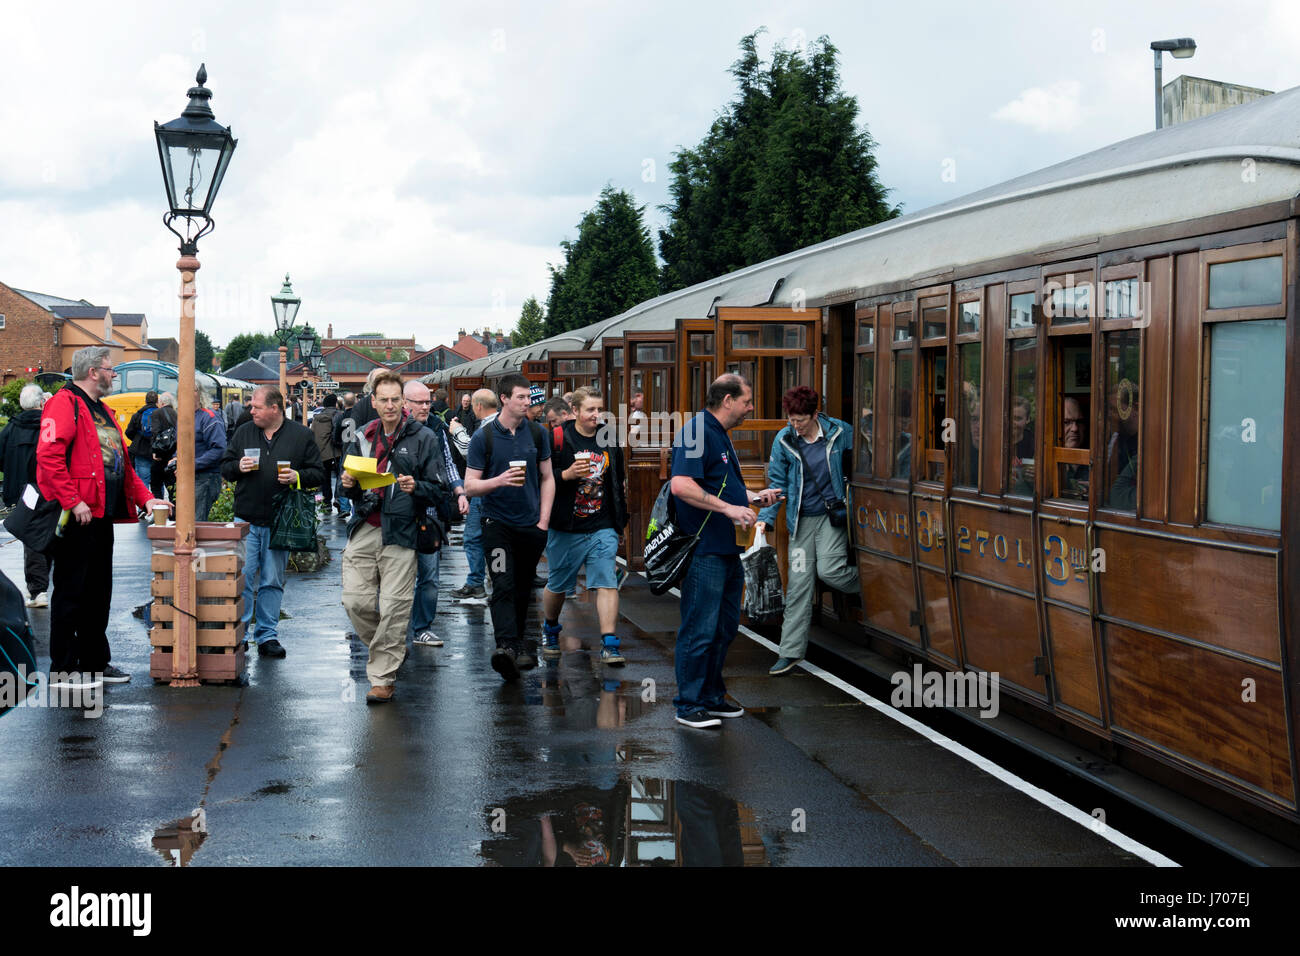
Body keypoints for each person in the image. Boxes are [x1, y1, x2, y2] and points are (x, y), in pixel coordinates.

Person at [37, 346, 171, 688]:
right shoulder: (64, 403)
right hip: (77, 516)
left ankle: (96, 662)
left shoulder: (102, 410)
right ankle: (64, 669)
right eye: (110, 370)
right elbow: (49, 456)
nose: (114, 375)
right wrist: (72, 500)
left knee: (98, 592)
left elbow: (123, 466)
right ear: (94, 372)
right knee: (71, 591)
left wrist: (148, 498)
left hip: (100, 515)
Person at [669, 374, 781, 728]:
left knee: (724, 626)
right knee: (700, 627)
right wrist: (730, 510)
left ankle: (712, 697)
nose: (751, 408)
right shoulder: (696, 431)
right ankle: (688, 705)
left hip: (725, 547)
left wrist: (750, 497)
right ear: (728, 400)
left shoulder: (717, 432)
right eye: (748, 401)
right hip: (704, 549)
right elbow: (681, 485)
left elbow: (715, 483)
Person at [336, 371, 443, 703]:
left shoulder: (424, 438)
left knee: (395, 606)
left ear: (404, 403)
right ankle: (391, 648)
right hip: (366, 525)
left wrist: (417, 488)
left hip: (403, 529)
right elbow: (346, 487)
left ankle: (382, 678)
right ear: (374, 402)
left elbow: (439, 492)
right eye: (383, 399)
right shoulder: (363, 437)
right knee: (355, 601)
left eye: (396, 399)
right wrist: (349, 486)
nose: (390, 405)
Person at [755, 386, 859, 675]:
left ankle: (872, 589)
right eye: (791, 418)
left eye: (800, 419)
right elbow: (777, 482)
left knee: (831, 570)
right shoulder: (784, 439)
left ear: (815, 414)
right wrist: (766, 517)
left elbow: (861, 466)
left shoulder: (841, 432)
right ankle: (789, 653)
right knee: (799, 585)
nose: (795, 425)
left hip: (831, 518)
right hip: (800, 522)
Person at [220, 385, 325, 659]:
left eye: (256, 406)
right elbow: (225, 467)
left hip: (281, 520)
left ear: (275, 408)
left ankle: (267, 636)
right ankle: (238, 636)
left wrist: (297, 477)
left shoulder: (300, 435)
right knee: (241, 579)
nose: (250, 410)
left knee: (272, 580)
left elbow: (319, 473)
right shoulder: (243, 431)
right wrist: (237, 467)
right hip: (246, 519)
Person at [463, 373, 555, 681]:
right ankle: (506, 646)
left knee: (522, 587)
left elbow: (547, 477)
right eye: (521, 397)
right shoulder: (484, 437)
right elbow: (470, 486)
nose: (528, 403)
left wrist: (543, 521)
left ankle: (516, 645)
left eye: (529, 398)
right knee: (502, 582)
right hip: (497, 524)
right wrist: (499, 480)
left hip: (531, 525)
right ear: (504, 398)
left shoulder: (538, 434)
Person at [541, 388, 628, 664]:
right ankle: (551, 628)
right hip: (566, 526)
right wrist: (566, 474)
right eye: (590, 410)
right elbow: (541, 477)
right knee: (557, 584)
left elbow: (618, 481)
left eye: (599, 409)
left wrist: (619, 523)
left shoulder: (609, 438)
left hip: (601, 524)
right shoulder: (556, 438)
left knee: (606, 583)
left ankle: (610, 643)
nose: (596, 415)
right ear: (575, 411)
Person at [401, 380, 468, 648]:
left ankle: (422, 627)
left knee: (429, 574)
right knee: (398, 575)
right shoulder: (394, 430)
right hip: (398, 514)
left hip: (429, 512)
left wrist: (460, 491)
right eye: (420, 402)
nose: (426, 406)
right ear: (405, 403)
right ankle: (394, 628)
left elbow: (447, 464)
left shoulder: (437, 429)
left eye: (428, 401)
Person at [0, 384, 53, 607]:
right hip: (47, 486)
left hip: (21, 491)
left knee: (30, 537)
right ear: (41, 402)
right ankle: (40, 587)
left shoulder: (10, 428)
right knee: (48, 533)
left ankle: (37, 588)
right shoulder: (49, 424)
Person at [449, 388, 498, 602]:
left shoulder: (488, 427)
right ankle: (489, 581)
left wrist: (457, 431)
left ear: (478, 406)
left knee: (473, 538)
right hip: (500, 490)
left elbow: (470, 451)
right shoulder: (504, 424)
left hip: (483, 489)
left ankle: (476, 582)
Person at [189, 385, 227, 522]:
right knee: (189, 520)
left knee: (196, 522)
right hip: (191, 477)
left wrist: (193, 464)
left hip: (205, 478)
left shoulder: (209, 417)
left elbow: (220, 449)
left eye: (191, 390)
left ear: (199, 395)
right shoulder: (186, 416)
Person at [311, 392, 342, 516]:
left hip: (322, 453)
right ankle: (339, 501)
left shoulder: (317, 418)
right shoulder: (339, 415)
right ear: (335, 403)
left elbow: (312, 435)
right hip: (337, 452)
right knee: (340, 478)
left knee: (325, 479)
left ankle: (327, 503)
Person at [124, 390, 158, 500]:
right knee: (158, 481)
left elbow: (128, 431)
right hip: (158, 451)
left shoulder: (138, 415)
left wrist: (137, 439)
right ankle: (160, 504)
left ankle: (144, 505)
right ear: (157, 401)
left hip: (141, 450)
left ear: (145, 400)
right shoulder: (161, 414)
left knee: (143, 479)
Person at [150, 392, 178, 502]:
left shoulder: (157, 413)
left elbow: (155, 432)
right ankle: (173, 512)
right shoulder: (177, 413)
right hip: (173, 455)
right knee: (172, 486)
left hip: (160, 455)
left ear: (161, 403)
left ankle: (159, 508)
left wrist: (154, 451)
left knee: (156, 484)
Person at [1061, 395, 1090, 499]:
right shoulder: (1045, 464)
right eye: (1066, 422)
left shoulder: (1096, 460)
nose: (1075, 428)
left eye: (1079, 422)